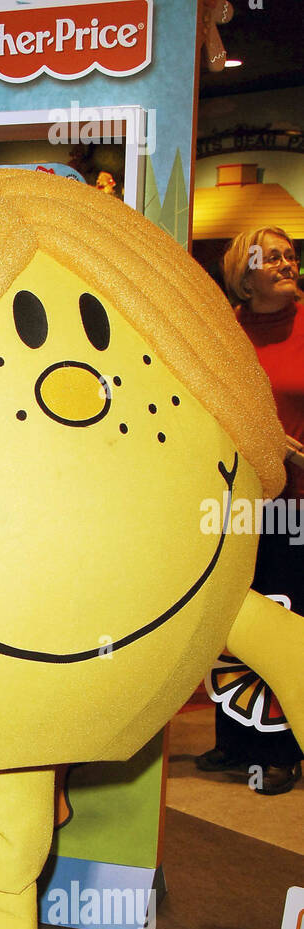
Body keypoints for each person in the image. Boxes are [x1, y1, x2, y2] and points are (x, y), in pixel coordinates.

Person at [196, 226, 304, 794]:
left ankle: (281, 748)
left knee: (285, 619)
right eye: (274, 259)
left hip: (297, 505)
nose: (288, 265)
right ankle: (235, 739)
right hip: (236, 502)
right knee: (231, 616)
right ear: (246, 271)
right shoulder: (225, 333)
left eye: (291, 256)